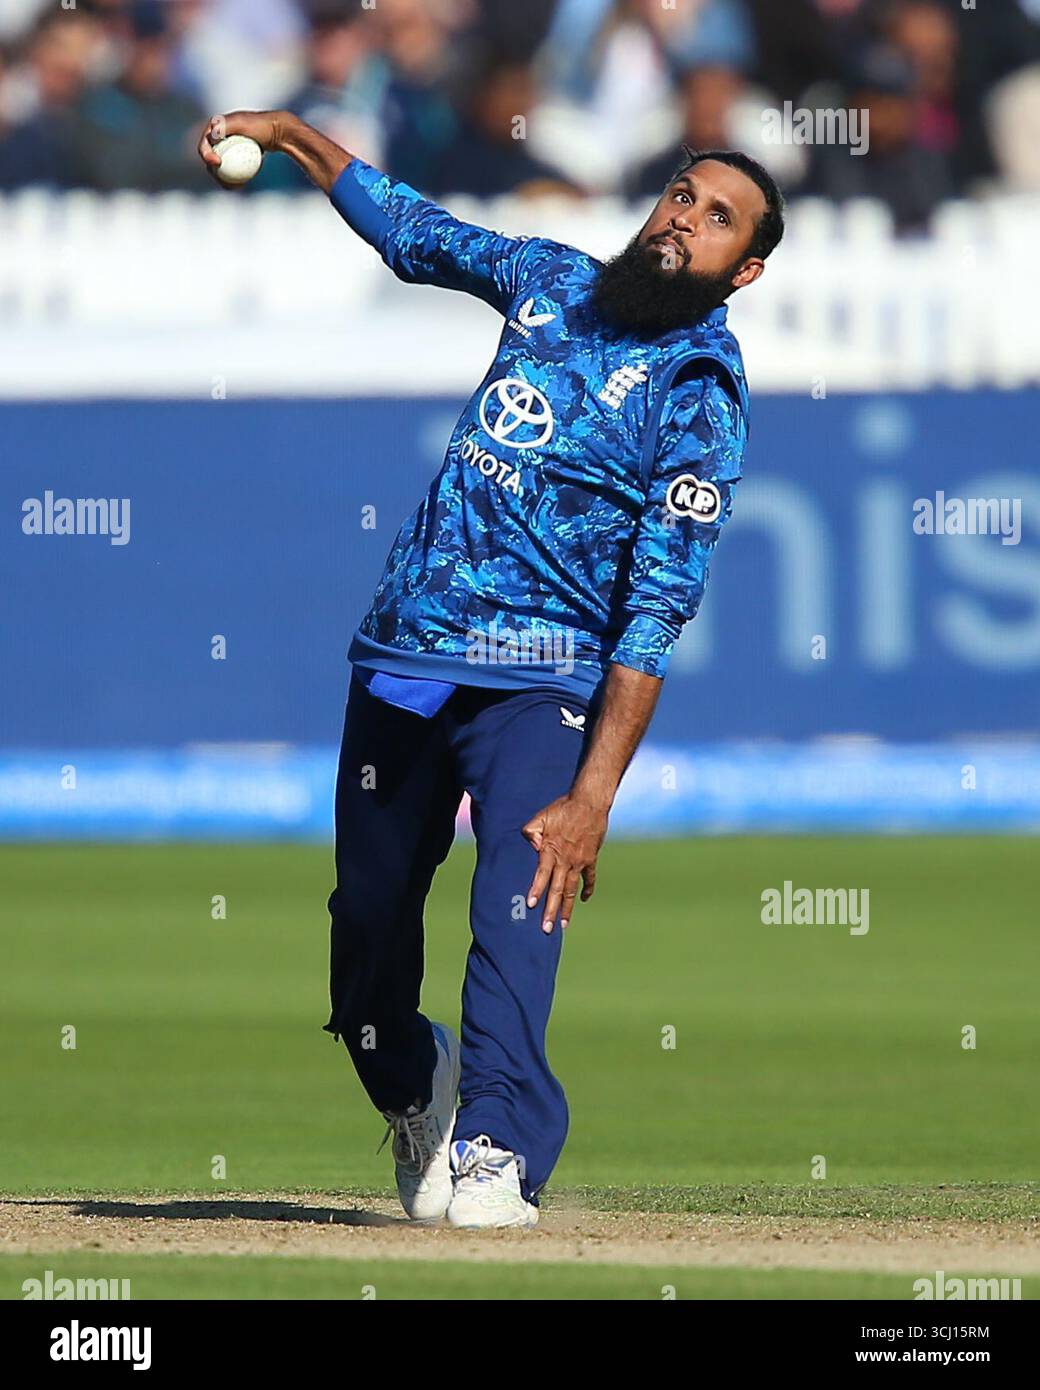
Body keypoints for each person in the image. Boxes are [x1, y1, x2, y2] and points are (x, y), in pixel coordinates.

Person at [198, 109, 784, 1229]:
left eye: (717, 220)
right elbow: (413, 231)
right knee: (366, 938)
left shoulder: (700, 390)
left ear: (742, 269)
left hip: (542, 677)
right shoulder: (548, 278)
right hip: (407, 653)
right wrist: (286, 134)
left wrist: (592, 799)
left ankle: (495, 1148)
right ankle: (416, 1091)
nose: (683, 220)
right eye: (680, 193)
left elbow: (657, 606)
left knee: (518, 906)